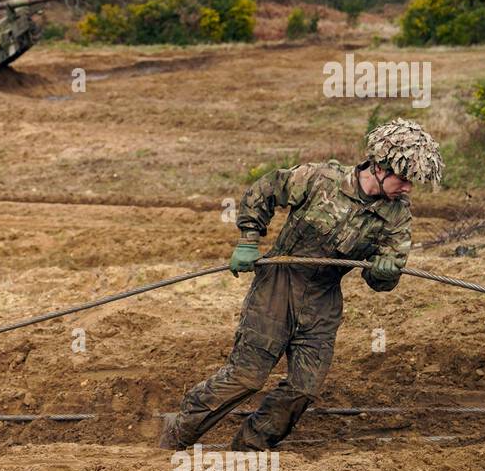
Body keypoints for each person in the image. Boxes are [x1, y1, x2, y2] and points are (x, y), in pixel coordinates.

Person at [159, 119, 444, 451]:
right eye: (405, 179)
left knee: (304, 387)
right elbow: (265, 190)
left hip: (323, 300)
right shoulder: (320, 180)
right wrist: (249, 239)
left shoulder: (397, 217)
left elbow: (383, 281)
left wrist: (384, 272)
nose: (408, 188)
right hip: (278, 286)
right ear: (380, 167)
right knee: (246, 377)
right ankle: (178, 433)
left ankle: (250, 447)